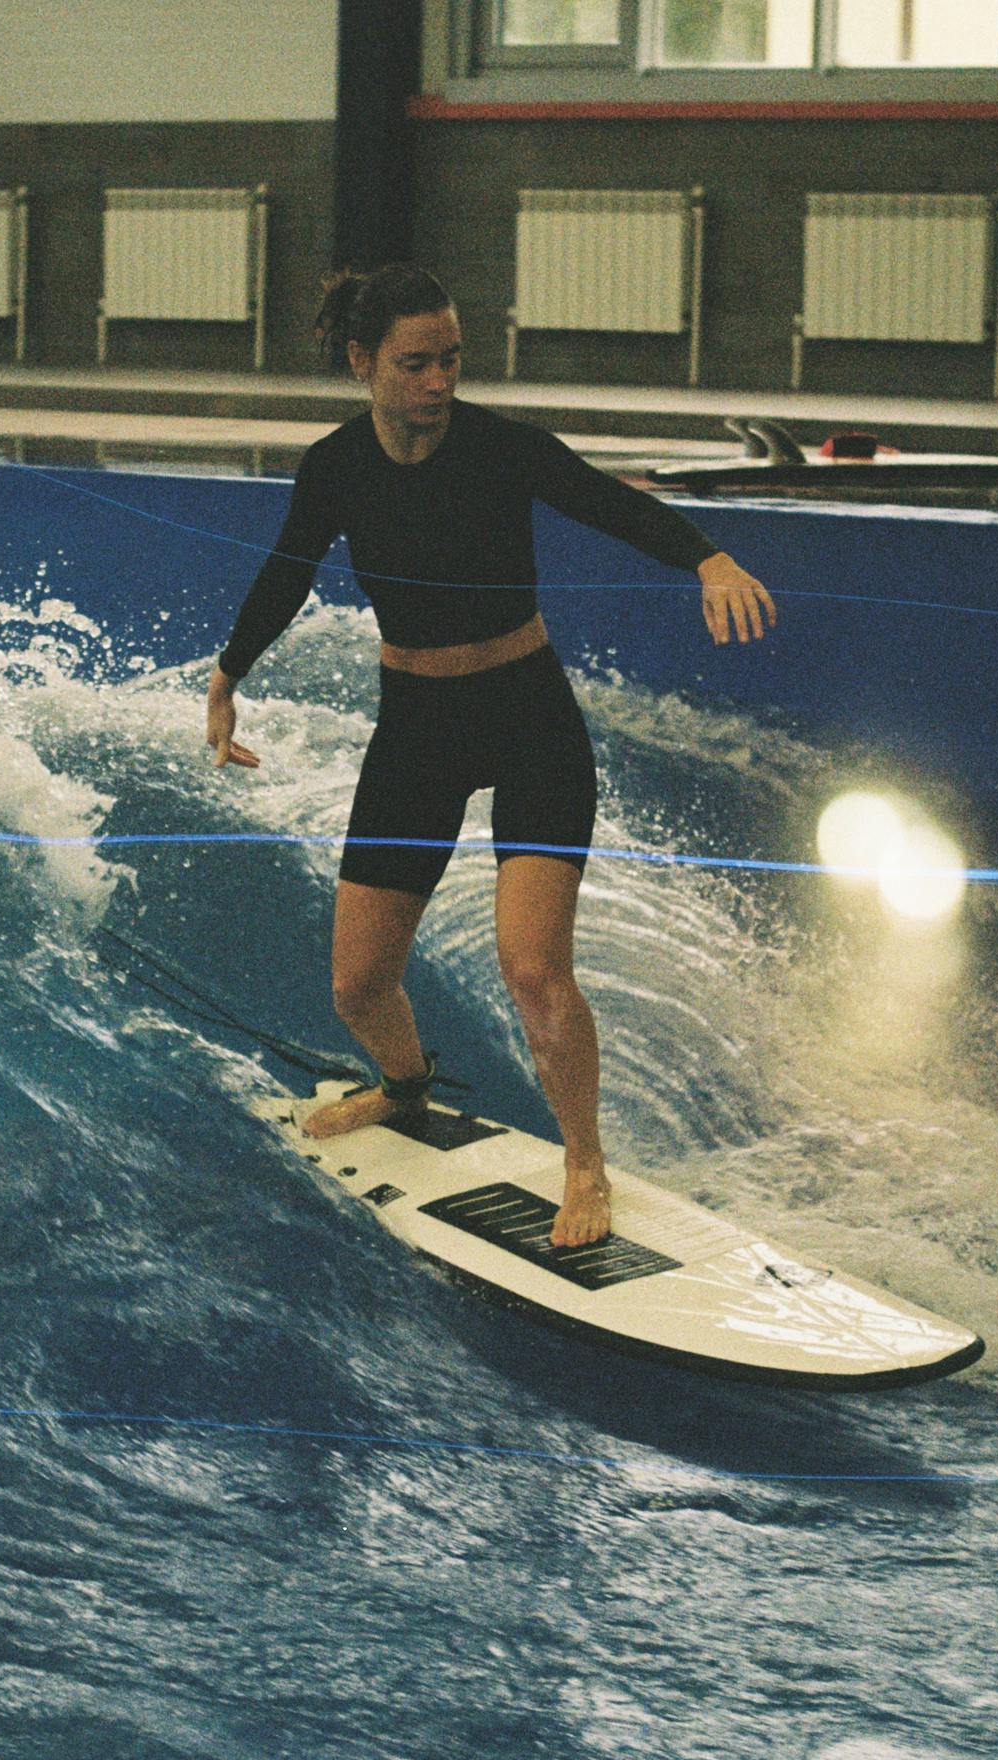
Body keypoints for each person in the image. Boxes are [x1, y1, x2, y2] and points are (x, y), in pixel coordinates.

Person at [204, 264, 776, 1249]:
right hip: (416, 729)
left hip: (526, 721)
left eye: (451, 360)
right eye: (414, 364)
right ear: (361, 364)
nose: (438, 382)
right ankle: (405, 1088)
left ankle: (585, 1164)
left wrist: (708, 558)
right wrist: (228, 674)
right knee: (357, 983)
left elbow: (612, 505)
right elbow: (287, 572)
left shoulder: (501, 450)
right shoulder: (336, 465)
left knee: (533, 972)